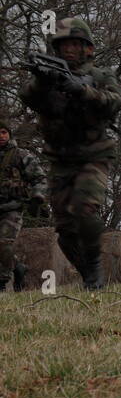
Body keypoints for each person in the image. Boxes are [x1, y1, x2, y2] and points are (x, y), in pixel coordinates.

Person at [17, 17, 121, 291]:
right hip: (60, 159)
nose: (69, 49)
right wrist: (43, 81)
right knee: (64, 230)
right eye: (63, 44)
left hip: (93, 154)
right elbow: (27, 96)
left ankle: (96, 268)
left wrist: (83, 91)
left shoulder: (101, 75)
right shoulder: (47, 76)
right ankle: (88, 276)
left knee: (86, 210)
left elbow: (114, 102)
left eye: (75, 44)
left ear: (88, 48)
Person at [0, 116, 47, 292]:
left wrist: (38, 196)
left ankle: (2, 283)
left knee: (4, 243)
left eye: (4, 132)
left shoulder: (21, 155)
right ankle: (18, 267)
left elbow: (39, 178)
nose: (1, 136)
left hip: (12, 208)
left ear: (9, 134)